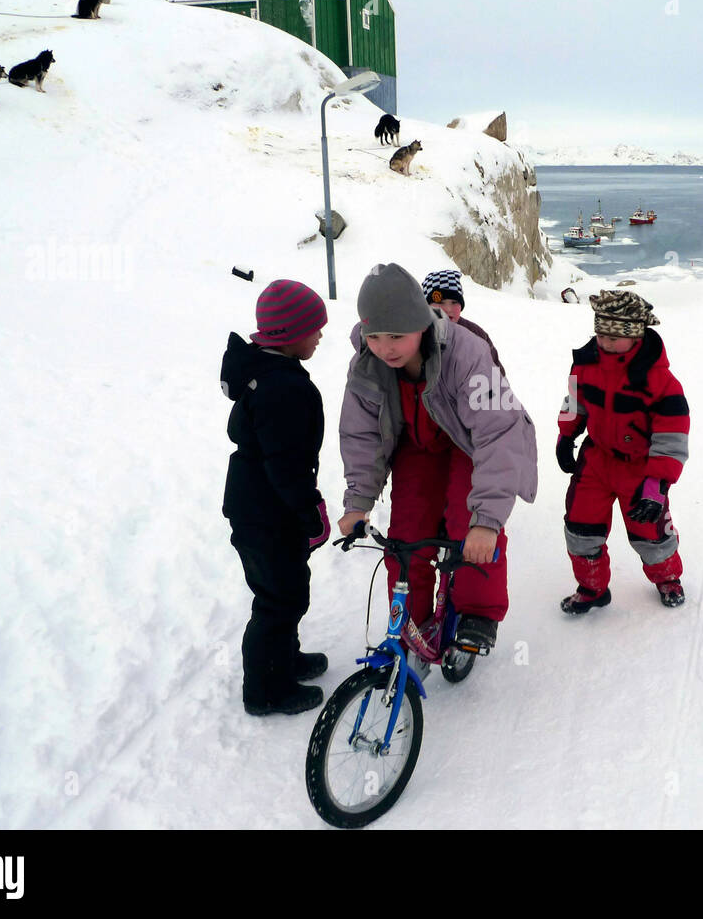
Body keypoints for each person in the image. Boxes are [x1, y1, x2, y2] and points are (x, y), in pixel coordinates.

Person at [337, 263, 537, 654]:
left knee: (470, 528)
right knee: (405, 537)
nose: (386, 347)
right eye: (374, 336)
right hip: (419, 445)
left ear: (421, 325)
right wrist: (358, 502)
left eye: (396, 335)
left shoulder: (467, 354)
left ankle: (478, 611)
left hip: (470, 444)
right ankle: (409, 619)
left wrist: (488, 521)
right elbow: (362, 435)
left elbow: (498, 432)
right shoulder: (367, 363)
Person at [221, 279, 331, 716]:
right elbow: (285, 463)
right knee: (278, 599)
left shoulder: (268, 374)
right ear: (288, 337)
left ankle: (285, 658)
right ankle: (267, 690)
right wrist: (308, 512)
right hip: (268, 512)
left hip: (260, 508)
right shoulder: (280, 388)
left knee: (286, 588)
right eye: (314, 329)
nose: (321, 335)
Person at [556, 289, 690, 613]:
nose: (605, 341)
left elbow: (672, 437)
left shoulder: (660, 382)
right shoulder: (585, 365)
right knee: (580, 526)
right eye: (601, 333)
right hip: (597, 460)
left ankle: (667, 577)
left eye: (615, 336)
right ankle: (592, 588)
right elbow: (575, 404)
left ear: (635, 336)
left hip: (641, 468)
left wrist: (657, 483)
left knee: (650, 533)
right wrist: (566, 436)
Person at [421, 268, 504, 373]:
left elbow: (496, 375)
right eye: (441, 302)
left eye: (454, 302)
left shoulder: (476, 335)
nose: (448, 309)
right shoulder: (417, 334)